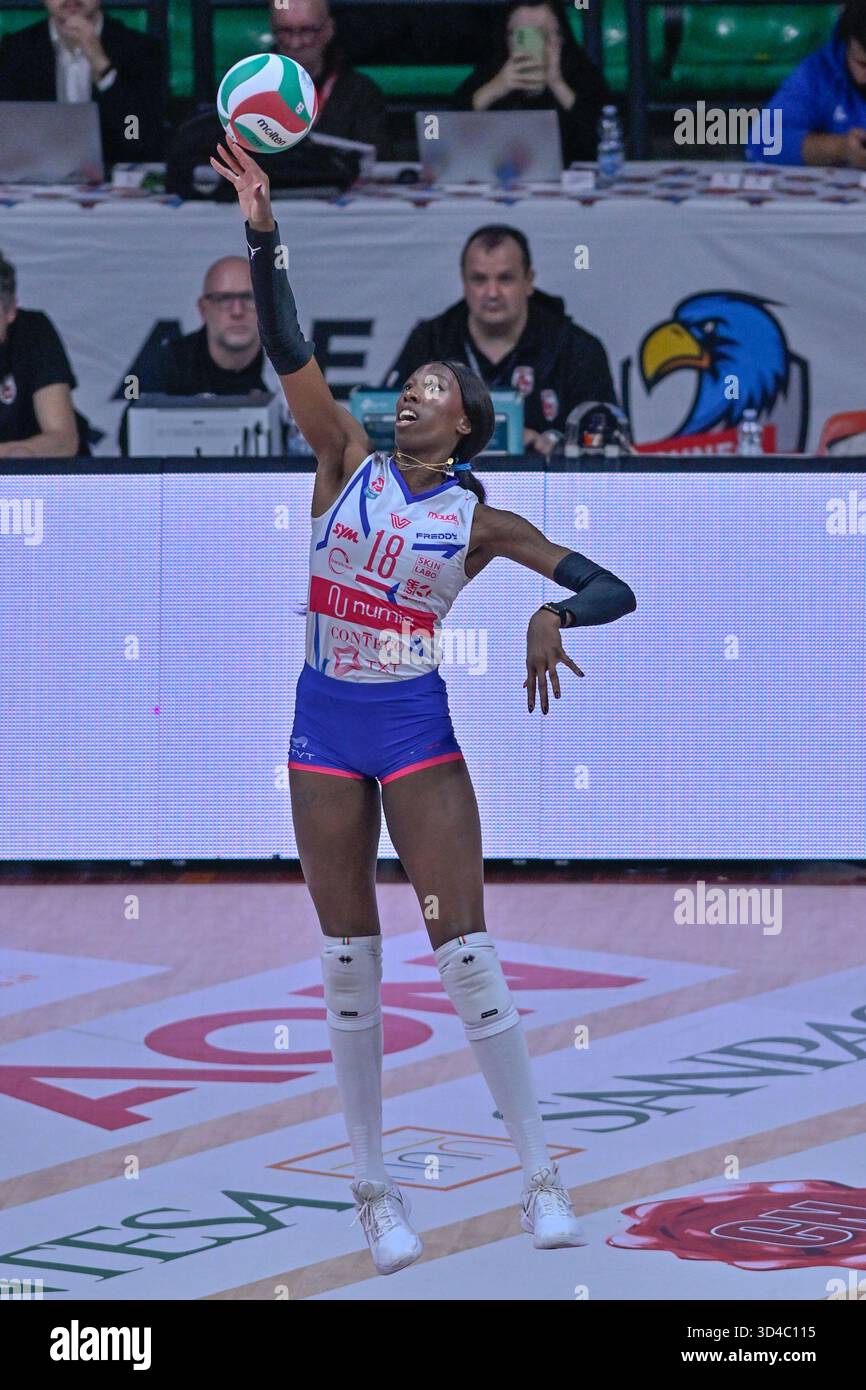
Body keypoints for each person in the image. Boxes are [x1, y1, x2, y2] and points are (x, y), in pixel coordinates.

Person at [211, 137, 637, 1276]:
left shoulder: (479, 523)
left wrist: (553, 619)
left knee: (465, 957)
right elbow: (290, 348)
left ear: (465, 425)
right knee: (348, 967)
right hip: (321, 726)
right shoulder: (339, 455)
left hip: (411, 730)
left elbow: (609, 586)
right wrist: (263, 231)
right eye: (409, 385)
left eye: (433, 390)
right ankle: (373, 1195)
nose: (412, 394)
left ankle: (540, 1176)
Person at [383, 224, 617, 458]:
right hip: (445, 485)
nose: (492, 293)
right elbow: (384, 424)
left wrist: (554, 444)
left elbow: (606, 442)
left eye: (505, 279)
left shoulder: (576, 348)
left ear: (529, 281)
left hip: (546, 486)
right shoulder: (430, 342)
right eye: (479, 280)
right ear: (463, 282)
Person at [0, 0, 164, 166]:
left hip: (114, 179)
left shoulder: (141, 50)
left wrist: (102, 66)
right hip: (35, 179)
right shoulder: (14, 51)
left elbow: (137, 137)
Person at [452, 0, 610, 166]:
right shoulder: (490, 73)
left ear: (561, 37)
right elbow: (443, 136)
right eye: (521, 34)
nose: (533, 44)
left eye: (541, 34)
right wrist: (495, 89)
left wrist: (558, 85)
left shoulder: (583, 75)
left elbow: (603, 143)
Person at [747, 0, 866, 168]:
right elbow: (762, 143)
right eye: (863, 64)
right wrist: (841, 148)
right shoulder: (820, 73)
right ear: (845, 45)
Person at [269, 0, 391, 158]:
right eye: (285, 31)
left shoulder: (360, 91)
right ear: (273, 30)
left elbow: (377, 160)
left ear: (328, 30)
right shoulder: (248, 85)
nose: (295, 43)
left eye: (307, 30)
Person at [0, 250, 83, 458]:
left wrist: (19, 453)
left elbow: (63, 440)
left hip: (38, 482)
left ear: (11, 311)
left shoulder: (33, 333)